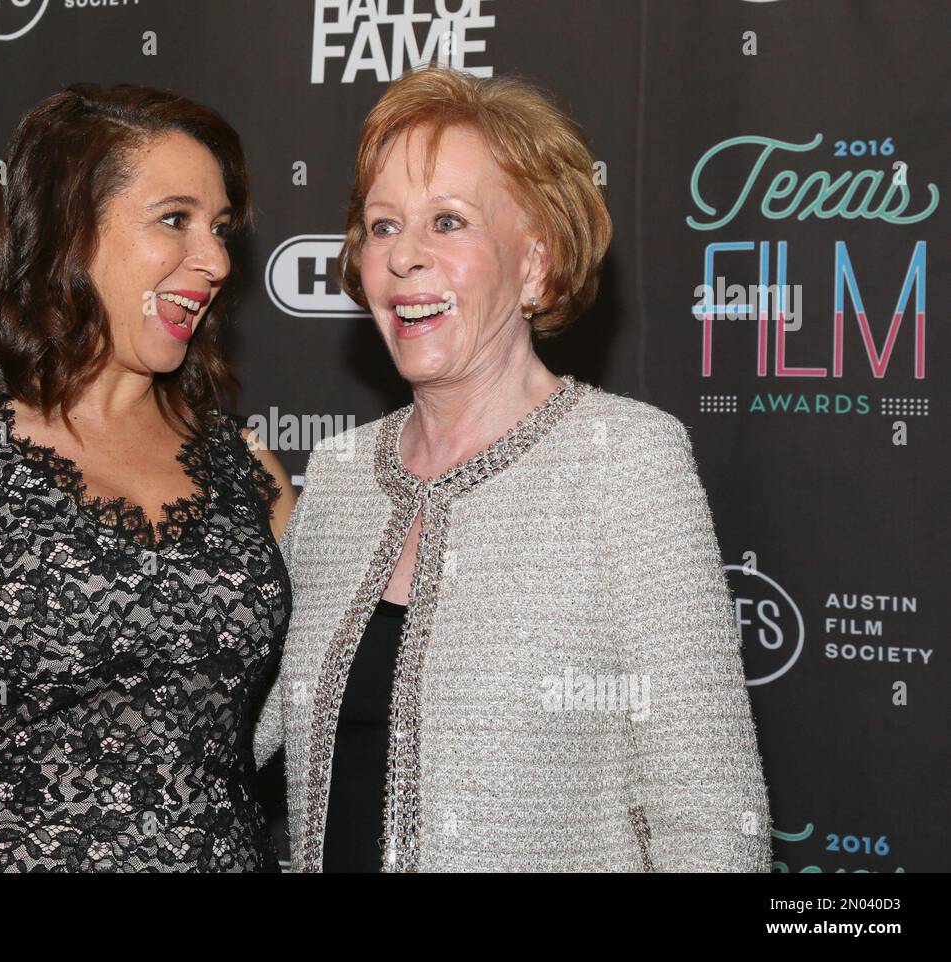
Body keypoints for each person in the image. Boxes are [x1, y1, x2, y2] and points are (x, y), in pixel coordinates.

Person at [253, 65, 772, 872]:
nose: (403, 259)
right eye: (384, 227)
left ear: (536, 263)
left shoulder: (626, 466)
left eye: (448, 222)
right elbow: (222, 733)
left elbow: (710, 822)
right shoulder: (343, 476)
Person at [0, 83, 296, 872]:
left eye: (219, 230)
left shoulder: (248, 471)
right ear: (71, 232)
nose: (215, 261)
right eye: (174, 220)